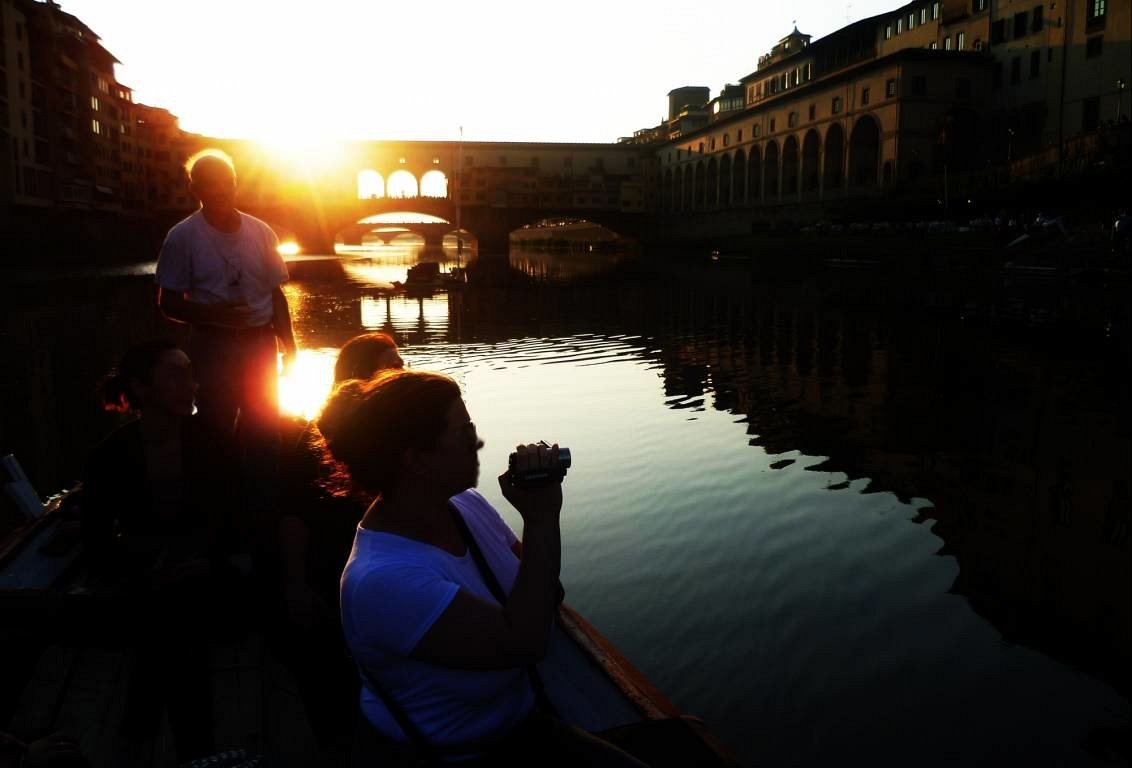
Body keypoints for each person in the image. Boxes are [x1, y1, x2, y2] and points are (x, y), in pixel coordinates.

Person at [318, 370, 646, 767]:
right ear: (415, 459)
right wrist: (541, 519)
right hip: (449, 756)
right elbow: (525, 643)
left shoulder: (465, 504)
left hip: (521, 725)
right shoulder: (381, 580)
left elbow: (543, 589)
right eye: (464, 433)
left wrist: (539, 515)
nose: (477, 442)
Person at [82, 341, 246, 764]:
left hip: (209, 574)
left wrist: (206, 560)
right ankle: (197, 750)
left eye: (191, 373)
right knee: (173, 624)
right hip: (147, 580)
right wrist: (149, 567)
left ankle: (138, 735)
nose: (192, 384)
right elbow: (96, 541)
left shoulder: (213, 442)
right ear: (141, 387)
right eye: (176, 374)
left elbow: (233, 518)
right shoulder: (110, 456)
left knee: (171, 624)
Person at [271, 332, 405, 755]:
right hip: (335, 572)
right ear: (361, 376)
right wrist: (295, 586)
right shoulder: (321, 439)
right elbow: (293, 518)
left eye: (401, 364)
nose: (402, 371)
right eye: (391, 366)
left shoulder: (397, 435)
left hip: (383, 572)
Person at [154, 149, 296, 453]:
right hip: (212, 346)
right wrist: (213, 314)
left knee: (265, 429)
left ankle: (261, 481)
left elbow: (276, 295)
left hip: (260, 344)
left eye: (227, 181)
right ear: (195, 189)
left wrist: (290, 346)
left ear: (235, 184)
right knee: (215, 428)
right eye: (211, 183)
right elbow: (168, 304)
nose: (221, 189)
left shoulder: (261, 232)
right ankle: (220, 479)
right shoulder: (182, 237)